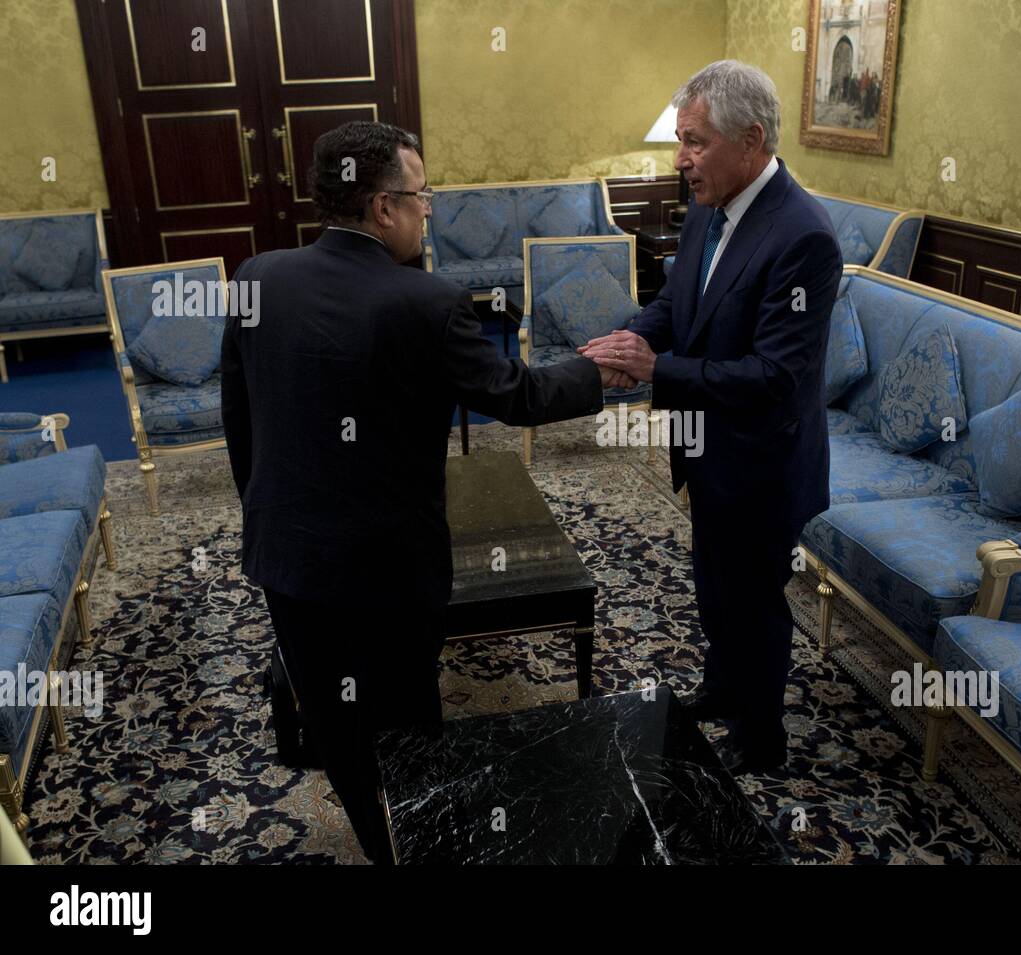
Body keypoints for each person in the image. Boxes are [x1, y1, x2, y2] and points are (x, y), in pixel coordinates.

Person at [221, 120, 631, 862]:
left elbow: (239, 420)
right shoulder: (429, 301)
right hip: (390, 569)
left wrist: (265, 509)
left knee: (334, 719)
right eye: (421, 196)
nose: (429, 210)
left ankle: (379, 845)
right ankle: (427, 840)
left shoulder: (255, 277)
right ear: (383, 207)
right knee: (409, 713)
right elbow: (517, 395)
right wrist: (604, 371)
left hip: (287, 558)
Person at [580, 60, 842, 774]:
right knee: (715, 586)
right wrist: (631, 338)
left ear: (750, 140)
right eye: (680, 139)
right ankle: (725, 692)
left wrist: (654, 367)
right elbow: (675, 307)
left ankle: (762, 738)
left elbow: (772, 378)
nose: (680, 157)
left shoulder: (803, 237)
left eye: (694, 141)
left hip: (764, 461)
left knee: (754, 602)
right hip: (709, 449)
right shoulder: (706, 207)